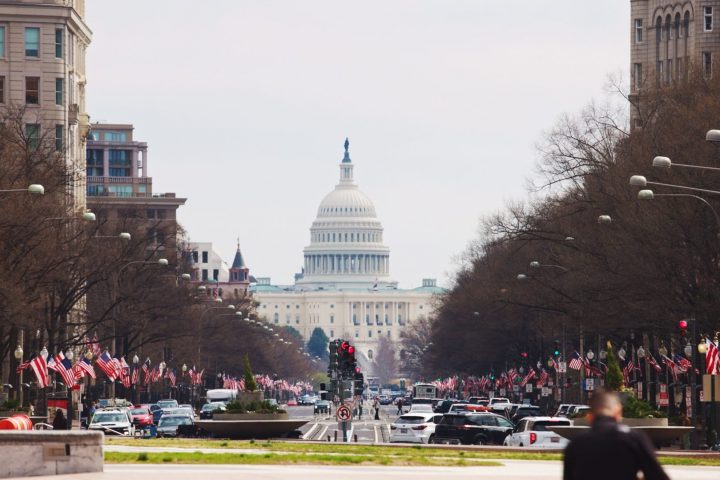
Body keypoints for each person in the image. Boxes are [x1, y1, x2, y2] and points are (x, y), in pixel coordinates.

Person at [563, 390, 670, 480]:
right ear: (618, 412)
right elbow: (658, 476)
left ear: (590, 417)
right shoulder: (634, 439)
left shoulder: (576, 443)